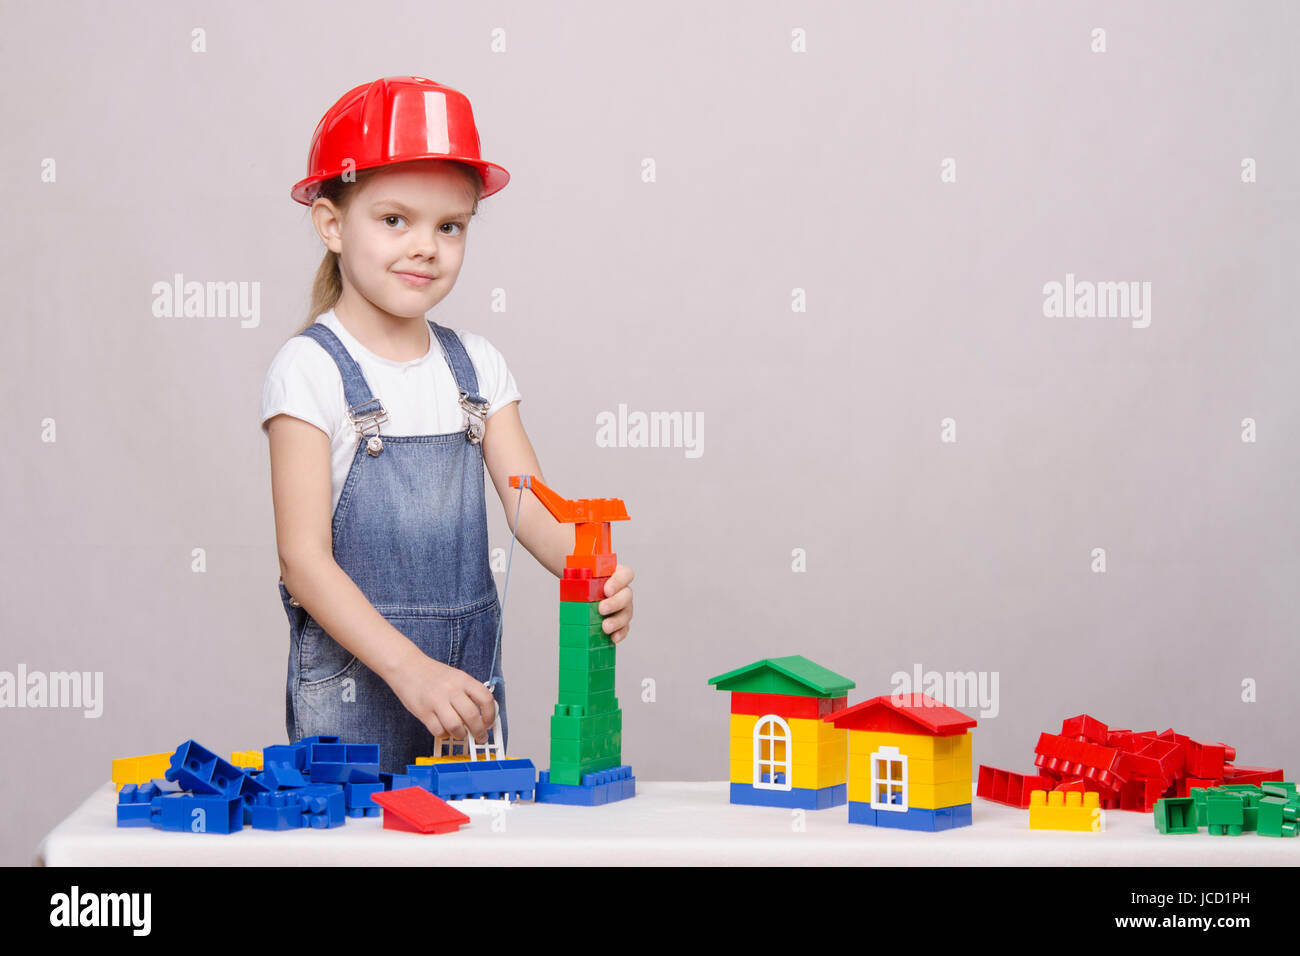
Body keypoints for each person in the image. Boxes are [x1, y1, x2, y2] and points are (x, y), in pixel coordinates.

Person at [260, 76, 635, 773]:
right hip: (357, 703)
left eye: (450, 226)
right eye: (395, 219)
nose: (426, 246)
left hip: (464, 700)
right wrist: (409, 670)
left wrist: (591, 573)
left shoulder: (479, 368)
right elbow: (302, 561)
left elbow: (533, 509)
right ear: (332, 223)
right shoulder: (307, 371)